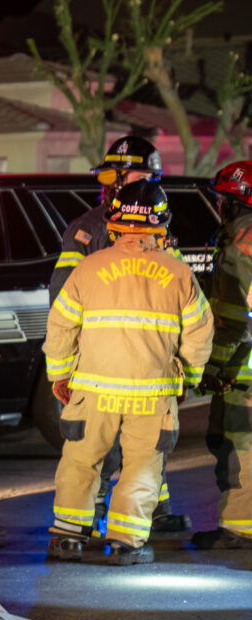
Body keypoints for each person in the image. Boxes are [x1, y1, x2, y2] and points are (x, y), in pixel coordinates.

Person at [44, 180, 213, 565]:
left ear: (114, 223)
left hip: (92, 391)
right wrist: (188, 378)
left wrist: (60, 375)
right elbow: (200, 334)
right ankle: (126, 543)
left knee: (81, 462)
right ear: (161, 226)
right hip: (153, 395)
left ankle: (67, 538)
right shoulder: (178, 273)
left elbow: (60, 326)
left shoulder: (88, 267)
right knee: (142, 467)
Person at [191, 160, 252, 550]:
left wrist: (211, 369)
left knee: (234, 443)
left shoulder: (240, 242)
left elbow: (232, 319)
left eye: (221, 199)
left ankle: (239, 529)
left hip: (243, 369)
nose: (217, 205)